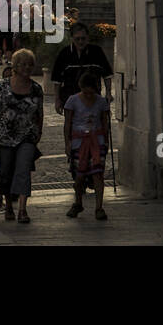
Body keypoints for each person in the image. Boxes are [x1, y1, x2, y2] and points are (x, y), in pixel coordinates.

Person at [0, 49, 45, 223]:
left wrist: (38, 133)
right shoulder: (4, 85)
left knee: (23, 169)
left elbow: (39, 114)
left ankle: (22, 209)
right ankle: (9, 207)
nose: (27, 68)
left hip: (27, 136)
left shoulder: (36, 89)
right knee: (5, 172)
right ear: (15, 66)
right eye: (23, 64)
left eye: (30, 65)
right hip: (4, 135)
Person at [64, 71, 111, 221]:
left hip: (97, 142)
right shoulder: (72, 101)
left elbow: (105, 121)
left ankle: (99, 207)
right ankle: (78, 202)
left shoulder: (101, 102)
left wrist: (106, 140)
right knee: (79, 177)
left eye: (92, 92)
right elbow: (68, 123)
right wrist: (67, 143)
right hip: (79, 143)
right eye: (86, 92)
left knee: (98, 174)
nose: (89, 95)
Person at [50, 22, 113, 114]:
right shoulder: (64, 53)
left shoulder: (96, 52)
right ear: (72, 38)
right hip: (71, 100)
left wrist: (108, 92)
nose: (80, 42)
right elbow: (57, 80)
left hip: (93, 99)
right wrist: (57, 100)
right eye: (77, 39)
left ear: (87, 37)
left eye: (83, 38)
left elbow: (107, 75)